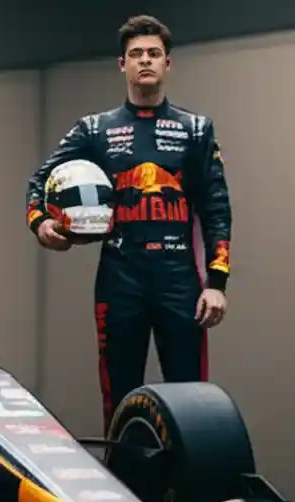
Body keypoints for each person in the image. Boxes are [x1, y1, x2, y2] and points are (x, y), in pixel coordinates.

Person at [24, 14, 232, 433]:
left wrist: (216, 283)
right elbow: (39, 181)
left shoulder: (196, 129)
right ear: (122, 64)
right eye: (136, 54)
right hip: (120, 278)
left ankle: (191, 493)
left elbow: (216, 208)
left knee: (192, 396)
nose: (145, 61)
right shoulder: (95, 129)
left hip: (180, 279)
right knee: (120, 395)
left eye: (154, 53)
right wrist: (42, 224)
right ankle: (124, 489)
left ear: (168, 63)